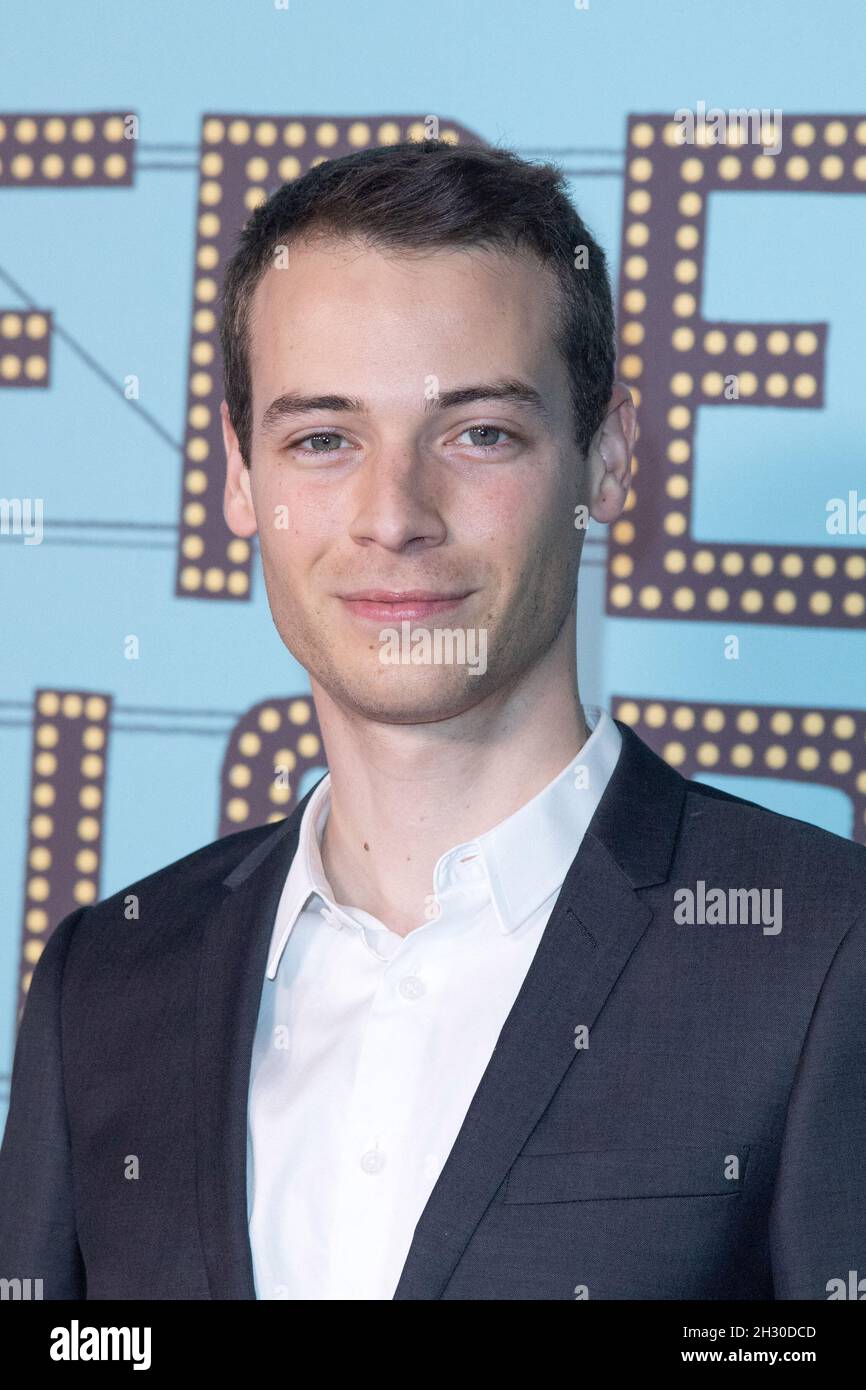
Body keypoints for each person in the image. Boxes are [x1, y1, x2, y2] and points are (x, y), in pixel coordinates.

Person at [1, 140, 864, 1300]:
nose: (392, 513)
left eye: (478, 432)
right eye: (322, 438)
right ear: (239, 478)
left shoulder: (819, 952)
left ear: (604, 456)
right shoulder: (106, 981)